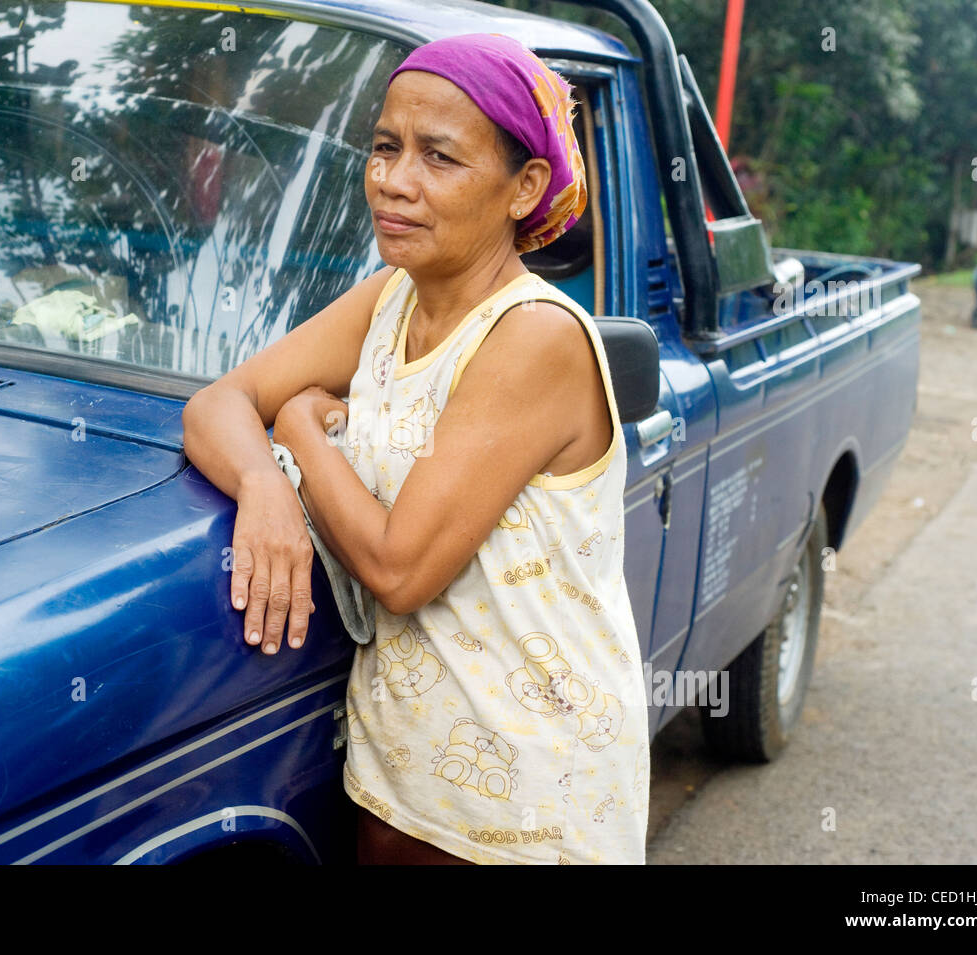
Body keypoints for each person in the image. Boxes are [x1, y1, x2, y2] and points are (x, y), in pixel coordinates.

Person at [181, 32, 649, 865]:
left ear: (525, 186)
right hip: (402, 779)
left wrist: (295, 433)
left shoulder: (532, 336)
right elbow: (220, 401)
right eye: (386, 147)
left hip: (531, 809)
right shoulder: (393, 298)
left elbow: (400, 570)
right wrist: (261, 485)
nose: (395, 181)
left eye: (440, 157)